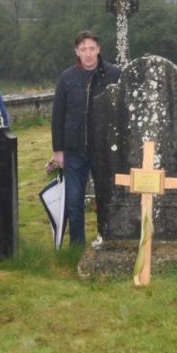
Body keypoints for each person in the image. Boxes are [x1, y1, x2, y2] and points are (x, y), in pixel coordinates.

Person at [48, 30, 121, 246]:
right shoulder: (67, 77)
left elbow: (121, 112)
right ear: (76, 52)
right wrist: (58, 150)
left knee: (106, 197)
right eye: (83, 50)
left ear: (98, 49)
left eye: (91, 48)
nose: (88, 54)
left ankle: (107, 239)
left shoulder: (114, 74)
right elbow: (58, 114)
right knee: (74, 200)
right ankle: (77, 245)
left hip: (103, 149)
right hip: (74, 150)